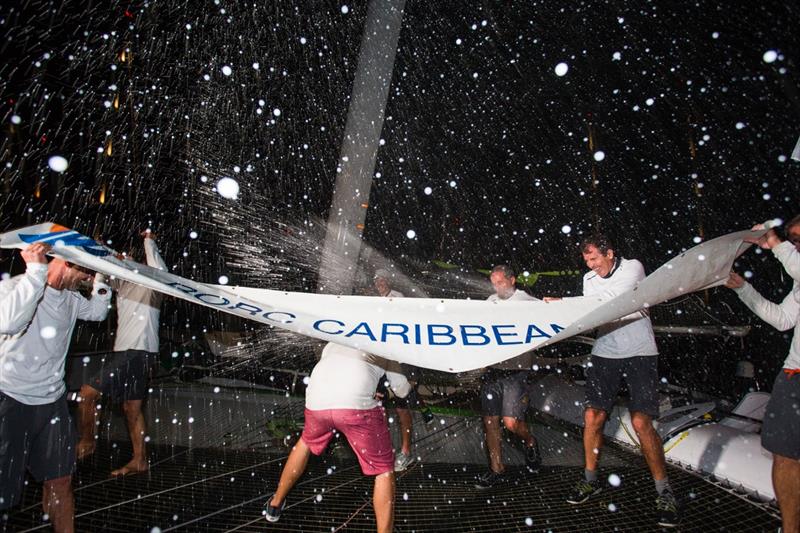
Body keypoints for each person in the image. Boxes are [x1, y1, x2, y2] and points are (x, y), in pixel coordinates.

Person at [562, 234, 678, 527]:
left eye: (594, 258)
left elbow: (614, 301)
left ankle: (664, 491)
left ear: (610, 254)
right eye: (586, 260)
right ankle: (590, 480)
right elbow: (591, 312)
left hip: (640, 352)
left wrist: (567, 302)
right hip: (605, 352)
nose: (591, 265)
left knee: (641, 423)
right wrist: (559, 310)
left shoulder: (633, 267)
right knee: (592, 416)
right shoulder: (589, 279)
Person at [0, 243, 111, 533]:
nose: (88, 278)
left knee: (61, 481)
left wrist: (104, 275)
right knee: (3, 494)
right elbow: (9, 322)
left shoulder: (71, 298)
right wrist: (36, 271)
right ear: (67, 263)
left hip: (52, 402)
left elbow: (98, 312)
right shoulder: (14, 287)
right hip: (10, 399)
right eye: (86, 271)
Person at [263, 342, 411, 533]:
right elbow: (402, 390)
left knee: (305, 442)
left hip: (317, 399)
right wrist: (390, 390)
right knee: (383, 470)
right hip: (355, 405)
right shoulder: (384, 343)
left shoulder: (335, 339)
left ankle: (275, 504)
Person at [725, 217, 800, 533]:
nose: (796, 245)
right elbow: (782, 319)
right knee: (784, 455)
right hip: (794, 374)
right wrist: (744, 289)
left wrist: (776, 244)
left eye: (799, 239)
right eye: (794, 240)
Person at [77, 230, 166, 476]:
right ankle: (140, 460)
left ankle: (87, 442)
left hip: (138, 352)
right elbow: (102, 275)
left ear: (136, 263)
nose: (121, 260)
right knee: (131, 408)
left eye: (126, 257)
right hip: (127, 353)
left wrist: (149, 240)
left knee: (87, 393)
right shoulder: (122, 285)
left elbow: (160, 270)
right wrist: (99, 250)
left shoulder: (150, 285)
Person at [474, 264, 542, 489]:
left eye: (501, 282)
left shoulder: (528, 302)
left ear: (512, 280)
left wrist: (554, 305)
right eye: (494, 283)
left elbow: (550, 317)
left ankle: (530, 442)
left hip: (517, 371)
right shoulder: (490, 302)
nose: (497, 287)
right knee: (490, 421)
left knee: (511, 423)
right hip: (493, 371)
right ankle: (497, 469)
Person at [373, 269, 432, 472]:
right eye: (377, 281)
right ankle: (382, 451)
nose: (380, 283)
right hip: (381, 360)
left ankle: (405, 452)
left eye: (382, 280)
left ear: (388, 281)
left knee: (402, 405)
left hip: (400, 360)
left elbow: (408, 325)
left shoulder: (398, 298)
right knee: (378, 403)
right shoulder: (373, 301)